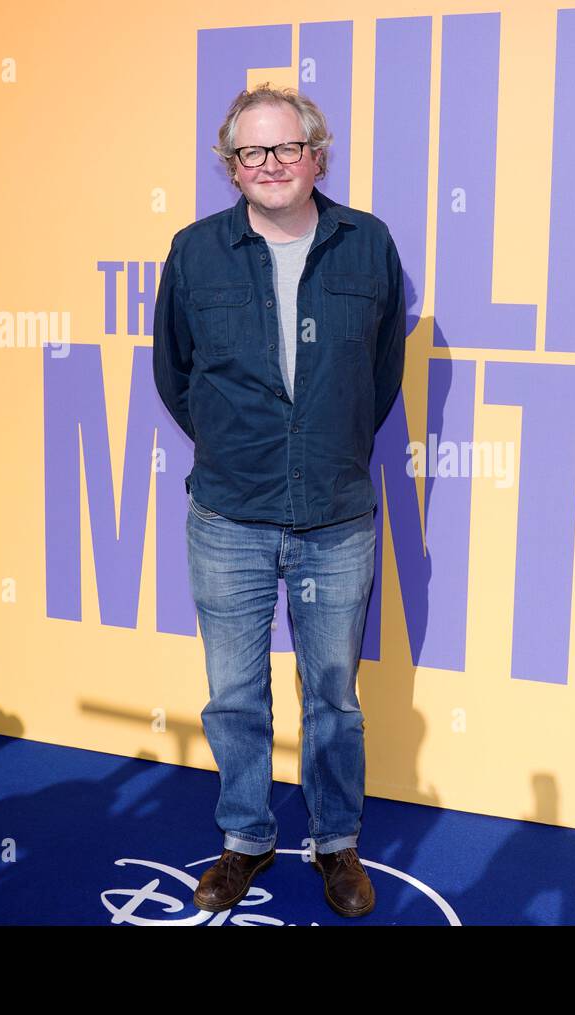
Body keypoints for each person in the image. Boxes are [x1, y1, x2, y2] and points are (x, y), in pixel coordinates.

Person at [152, 83, 407, 918]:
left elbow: (378, 381)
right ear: (231, 166)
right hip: (229, 514)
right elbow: (176, 374)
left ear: (316, 154)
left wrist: (320, 448)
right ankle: (246, 838)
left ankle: (337, 843)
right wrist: (243, 444)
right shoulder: (194, 253)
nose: (271, 165)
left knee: (332, 695)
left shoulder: (368, 246)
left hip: (337, 517)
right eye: (252, 153)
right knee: (234, 694)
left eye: (286, 148)